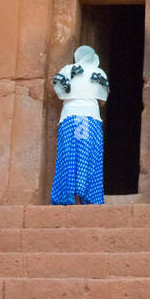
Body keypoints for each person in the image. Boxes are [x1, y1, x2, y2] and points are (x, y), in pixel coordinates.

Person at [50, 45, 109, 205]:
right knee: (89, 158)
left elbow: (59, 93)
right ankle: (89, 199)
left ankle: (67, 199)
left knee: (68, 157)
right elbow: (102, 101)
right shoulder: (99, 73)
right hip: (91, 118)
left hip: (70, 118)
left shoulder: (67, 70)